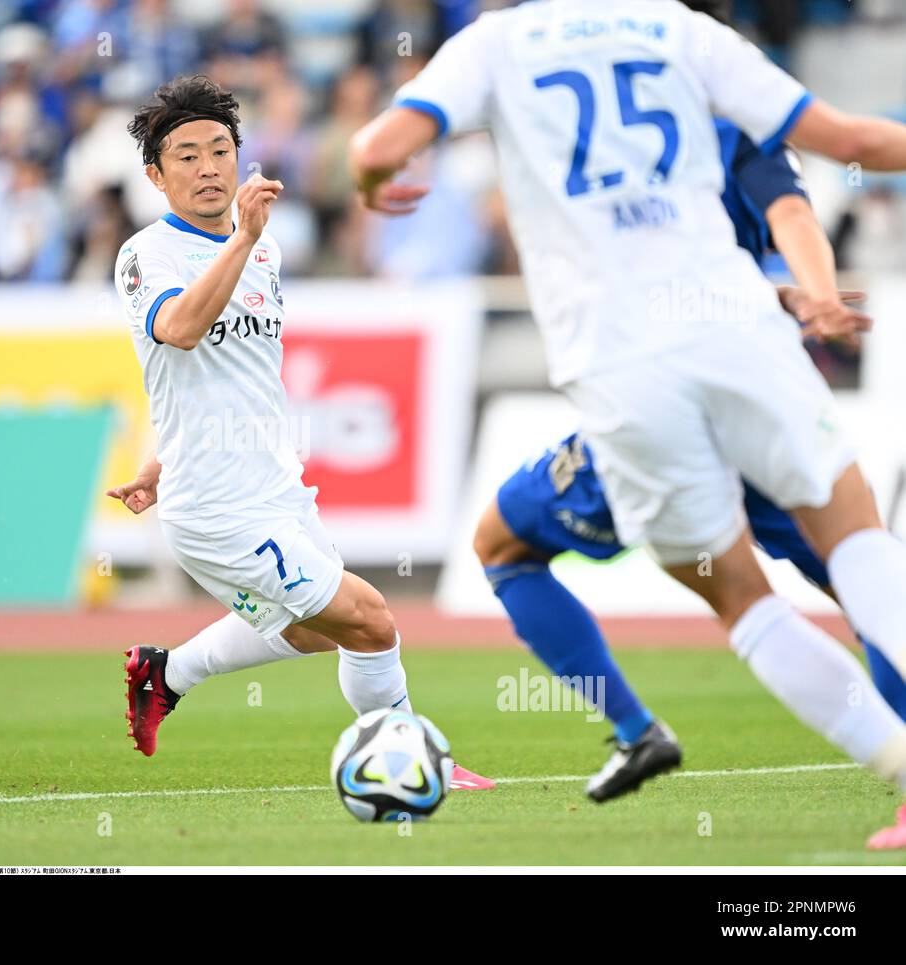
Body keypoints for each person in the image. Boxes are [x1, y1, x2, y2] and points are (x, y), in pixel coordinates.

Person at [348, 0, 906, 848]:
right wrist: (811, 293)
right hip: (738, 333)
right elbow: (856, 148)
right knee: (854, 541)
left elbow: (377, 149)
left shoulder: (496, 43)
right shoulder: (685, 33)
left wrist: (369, 181)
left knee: (740, 598)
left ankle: (872, 762)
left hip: (625, 371)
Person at [111, 74, 491, 790]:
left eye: (219, 150)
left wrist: (159, 460)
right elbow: (183, 332)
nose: (206, 167)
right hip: (217, 508)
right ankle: (408, 758)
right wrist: (244, 239)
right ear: (156, 176)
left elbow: (234, 378)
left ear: (238, 158)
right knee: (373, 619)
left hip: (275, 487)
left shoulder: (265, 249)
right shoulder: (146, 255)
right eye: (185, 156)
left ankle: (165, 672)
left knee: (324, 631)